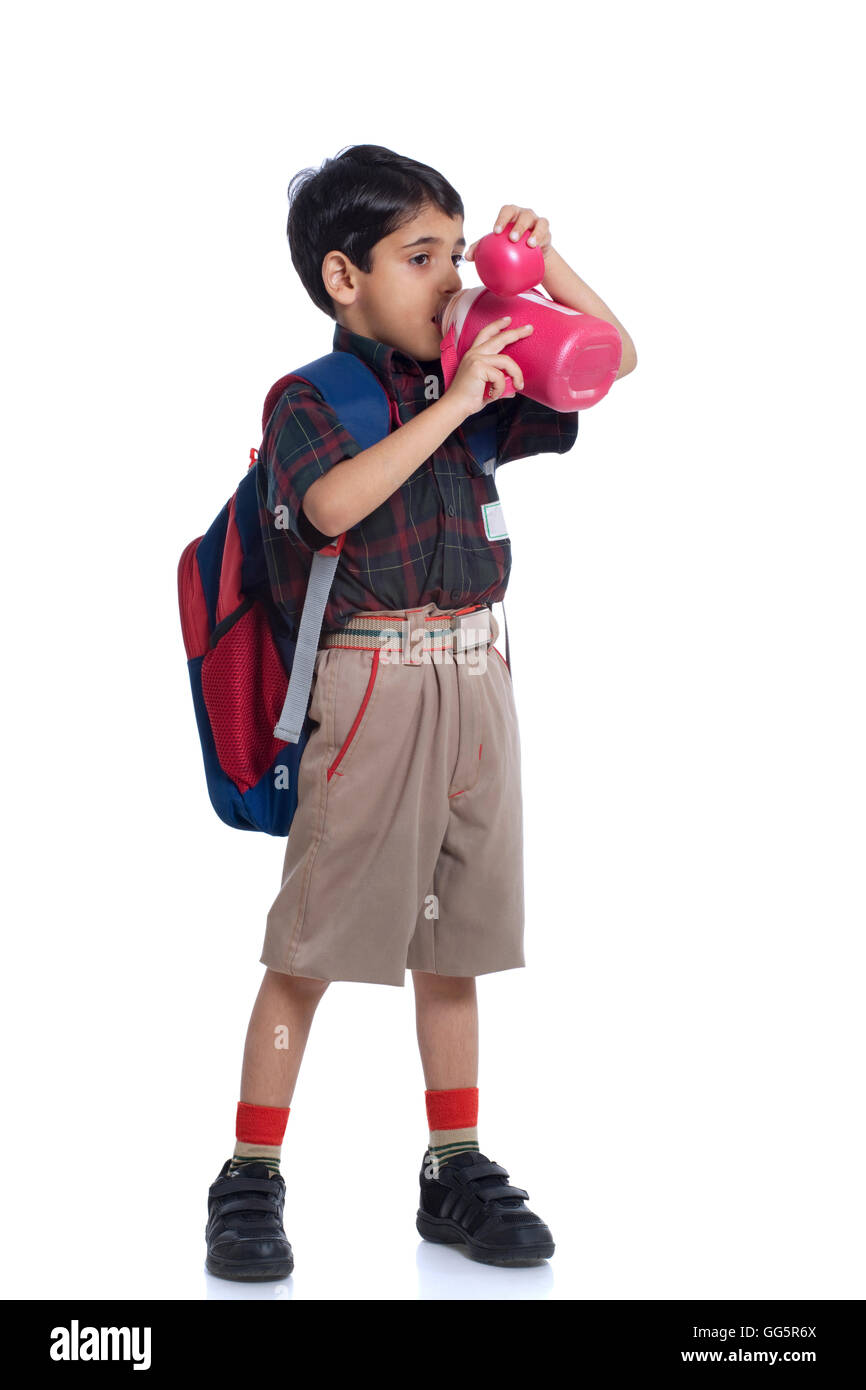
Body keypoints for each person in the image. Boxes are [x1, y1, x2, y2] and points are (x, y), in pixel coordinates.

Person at [205, 144, 638, 1280]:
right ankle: (251, 1169)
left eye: (455, 251)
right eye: (421, 256)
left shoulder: (475, 380)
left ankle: (452, 1162)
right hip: (368, 685)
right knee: (311, 943)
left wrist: (547, 272)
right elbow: (329, 503)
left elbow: (615, 362)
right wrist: (451, 407)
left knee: (457, 939)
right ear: (344, 278)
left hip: (476, 676)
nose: (452, 279)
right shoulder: (317, 397)